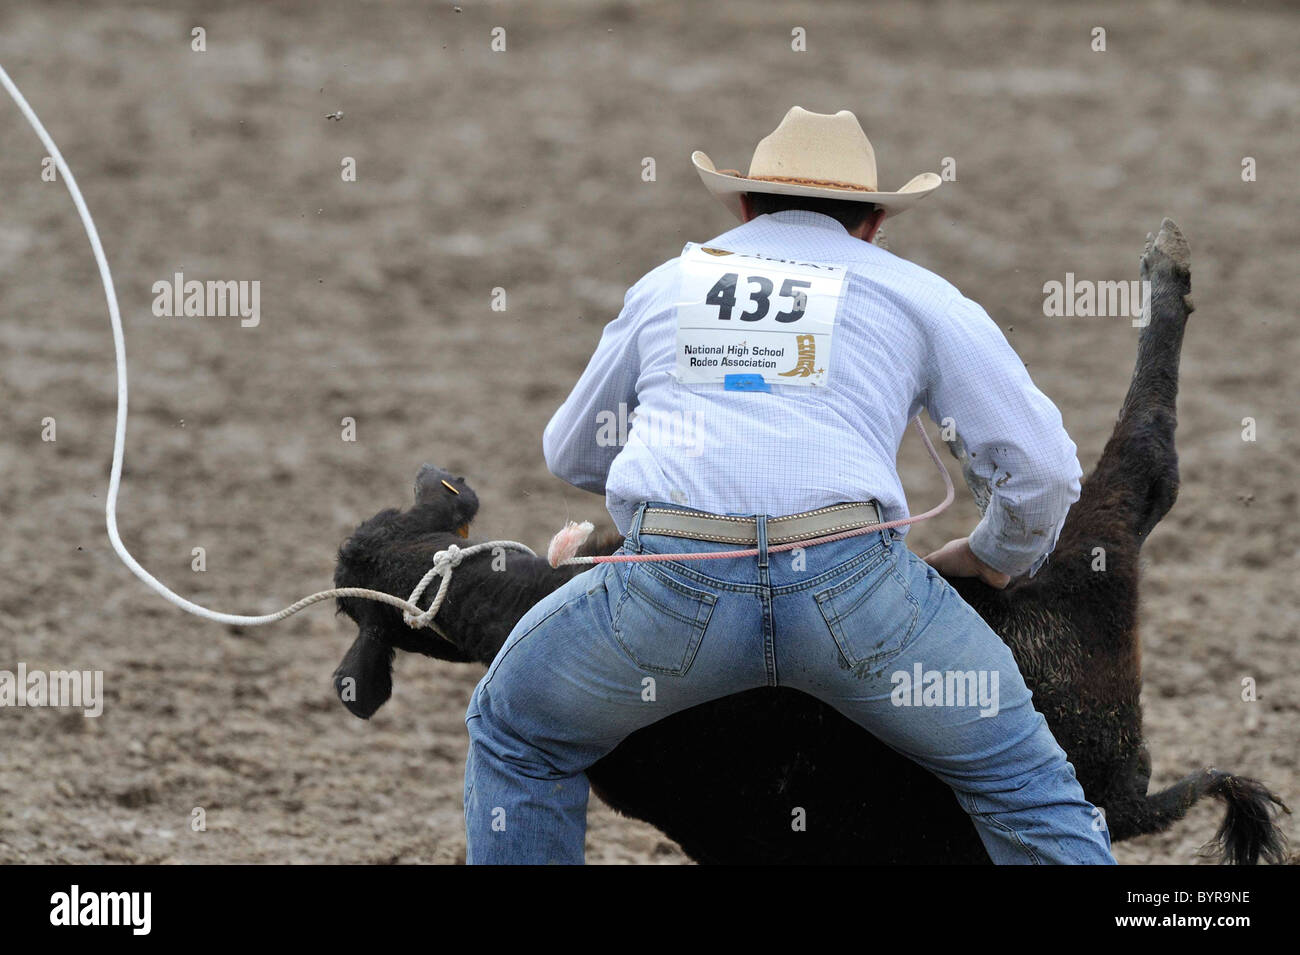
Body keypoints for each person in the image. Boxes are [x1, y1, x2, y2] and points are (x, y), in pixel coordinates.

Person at [463, 107, 1116, 865]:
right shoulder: (921, 294)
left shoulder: (668, 284)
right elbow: (1044, 470)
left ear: (743, 208)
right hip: (858, 596)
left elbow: (573, 450)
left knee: (518, 732)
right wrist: (996, 552)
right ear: (873, 223)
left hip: (672, 588)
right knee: (1024, 784)